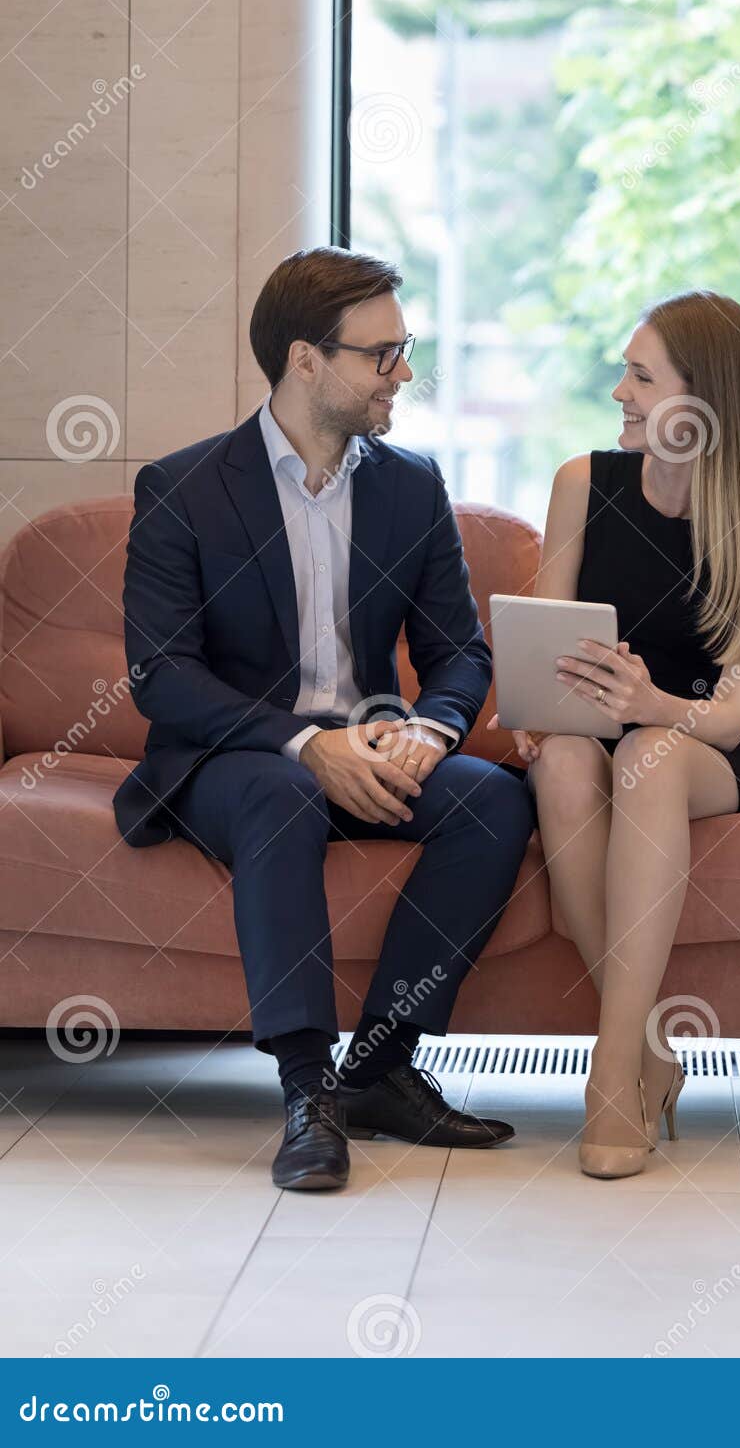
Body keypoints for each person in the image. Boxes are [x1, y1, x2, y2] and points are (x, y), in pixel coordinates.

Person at [114, 247, 534, 1192]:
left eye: (404, 349)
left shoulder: (409, 485)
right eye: (381, 355)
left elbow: (458, 653)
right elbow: (161, 676)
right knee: (279, 795)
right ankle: (308, 1093)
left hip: (375, 741)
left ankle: (379, 1069)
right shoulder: (183, 489)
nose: (404, 374)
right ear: (306, 360)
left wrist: (430, 730)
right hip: (237, 758)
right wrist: (307, 742)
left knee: (493, 803)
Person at [489, 290, 740, 1179]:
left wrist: (646, 702)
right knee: (563, 760)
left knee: (650, 752)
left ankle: (607, 1079)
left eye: (639, 376)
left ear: (700, 402)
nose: (618, 393)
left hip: (700, 750)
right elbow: (545, 638)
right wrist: (529, 707)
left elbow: (734, 716)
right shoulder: (579, 485)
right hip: (592, 741)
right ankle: (646, 1056)